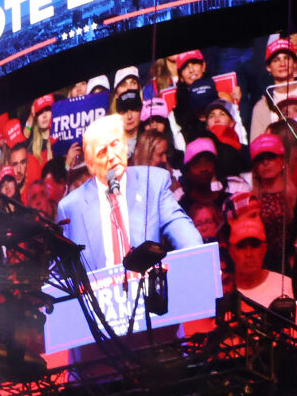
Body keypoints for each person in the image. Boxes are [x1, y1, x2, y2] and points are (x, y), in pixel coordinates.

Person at [54, 114, 203, 276]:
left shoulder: (153, 182)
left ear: (125, 145)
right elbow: (60, 270)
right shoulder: (71, 207)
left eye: (115, 144)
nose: (111, 156)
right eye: (102, 152)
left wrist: (197, 265)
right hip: (98, 299)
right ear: (90, 165)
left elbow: (185, 235)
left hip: (149, 294)